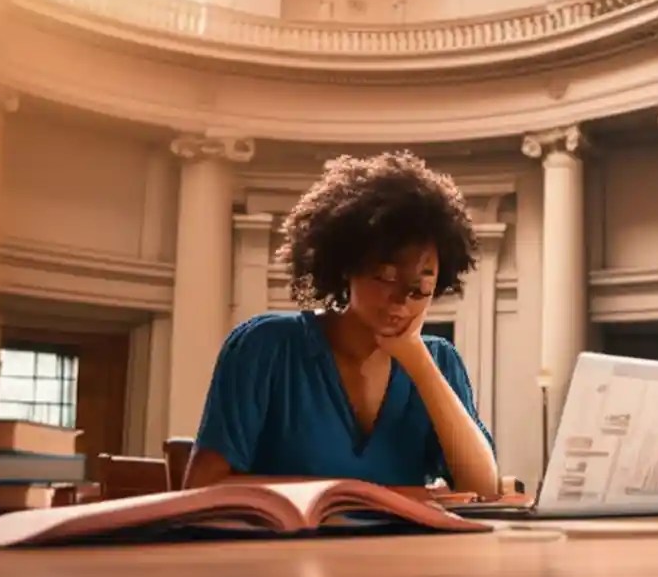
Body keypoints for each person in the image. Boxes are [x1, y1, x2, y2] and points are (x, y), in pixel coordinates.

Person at [183, 150, 500, 498]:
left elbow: (484, 490)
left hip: (403, 552)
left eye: (420, 286)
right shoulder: (265, 345)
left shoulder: (441, 362)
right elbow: (202, 487)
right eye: (385, 276)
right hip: (280, 550)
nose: (401, 300)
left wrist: (417, 360)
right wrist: (368, 495)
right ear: (347, 265)